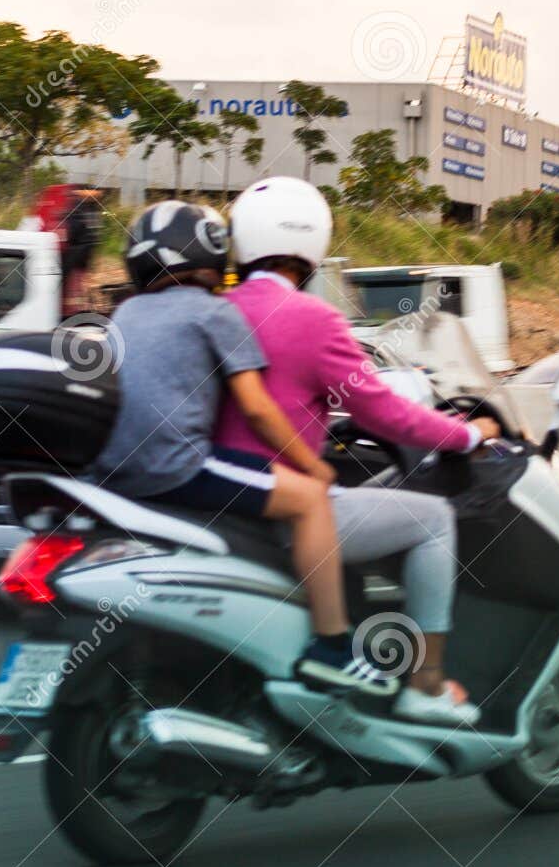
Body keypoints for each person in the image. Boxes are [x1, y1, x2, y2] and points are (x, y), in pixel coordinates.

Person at [217, 177, 499, 727]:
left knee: (363, 496)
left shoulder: (218, 310)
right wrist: (469, 434)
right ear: (312, 243)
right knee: (436, 517)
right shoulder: (315, 320)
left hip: (224, 495)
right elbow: (385, 413)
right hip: (285, 505)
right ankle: (427, 682)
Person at [92, 200, 395, 697]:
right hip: (176, 466)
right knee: (310, 500)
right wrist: (312, 467)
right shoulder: (215, 313)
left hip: (114, 474)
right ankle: (334, 648)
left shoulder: (125, 313)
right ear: (211, 249)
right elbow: (256, 408)